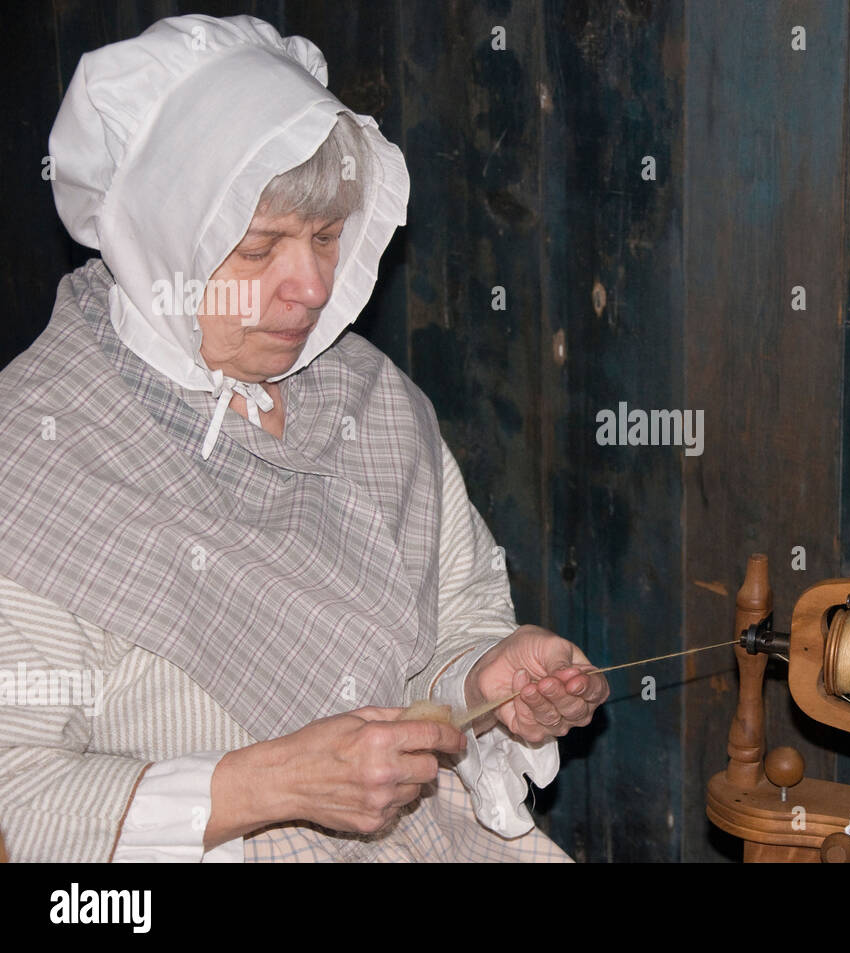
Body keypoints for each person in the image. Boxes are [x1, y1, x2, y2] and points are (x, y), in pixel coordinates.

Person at [0, 14, 607, 862]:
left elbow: (448, 627)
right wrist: (269, 784)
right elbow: (16, 803)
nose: (312, 288)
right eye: (260, 249)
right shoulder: (35, 460)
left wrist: (483, 680)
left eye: (327, 238)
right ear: (160, 239)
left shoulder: (370, 401)